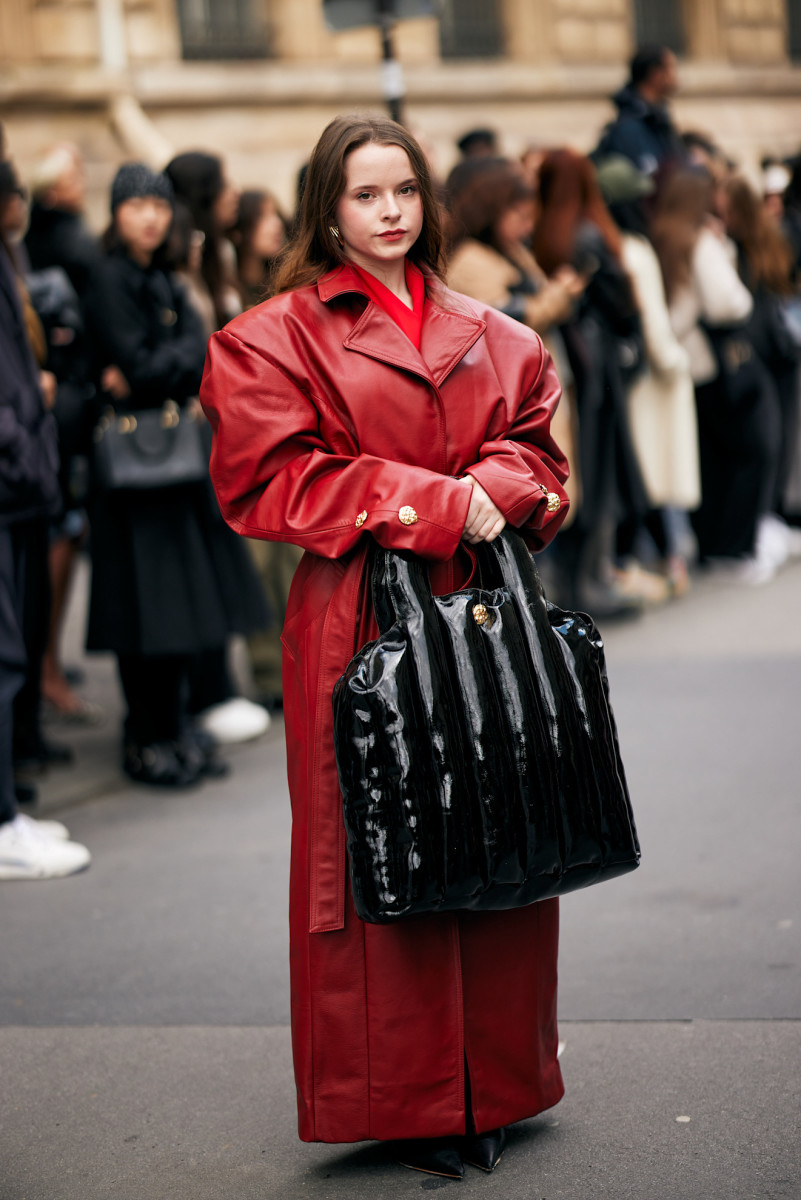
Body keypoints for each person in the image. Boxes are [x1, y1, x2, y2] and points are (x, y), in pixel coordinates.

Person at [200, 114, 569, 1178]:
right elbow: (270, 480)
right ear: (327, 209)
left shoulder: (498, 332)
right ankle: (408, 1095)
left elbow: (540, 452)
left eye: (405, 190)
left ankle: (498, 1084)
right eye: (365, 194)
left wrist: (496, 488)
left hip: (484, 604)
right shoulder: (269, 338)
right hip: (356, 615)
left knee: (501, 825)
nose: (391, 211)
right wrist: (437, 502)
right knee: (381, 844)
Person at [84, 162, 263, 786]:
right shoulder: (108, 277)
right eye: (136, 205)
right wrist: (179, 357)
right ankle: (146, 738)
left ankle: (175, 727)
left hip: (173, 465)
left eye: (158, 206)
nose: (151, 218)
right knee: (144, 608)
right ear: (115, 213)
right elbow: (143, 363)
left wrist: (175, 358)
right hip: (133, 474)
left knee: (177, 606)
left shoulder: (161, 275)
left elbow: (198, 352)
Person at [0, 153, 90, 879]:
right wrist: (20, 440)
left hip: (17, 478)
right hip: (10, 477)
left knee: (13, 649)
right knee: (4, 656)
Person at [165, 152, 271, 746]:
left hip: (236, 424)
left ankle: (224, 686)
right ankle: (210, 690)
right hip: (205, 430)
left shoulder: (216, 255)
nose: (233, 192)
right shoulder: (186, 261)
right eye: (223, 183)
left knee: (233, 558)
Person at [532, 148, 648, 616]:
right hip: (596, 362)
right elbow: (623, 301)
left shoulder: (538, 233)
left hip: (566, 361)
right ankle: (591, 583)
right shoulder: (588, 232)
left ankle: (575, 585)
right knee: (598, 472)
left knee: (575, 471)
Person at [651, 168, 779, 581]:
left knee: (709, 459)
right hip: (715, 363)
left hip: (686, 364)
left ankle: (712, 543)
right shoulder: (701, 240)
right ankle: (734, 544)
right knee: (748, 450)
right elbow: (729, 302)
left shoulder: (661, 237)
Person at [596, 155, 700, 599]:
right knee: (655, 474)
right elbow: (655, 325)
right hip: (656, 383)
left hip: (628, 380)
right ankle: (666, 562)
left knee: (637, 474)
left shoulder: (609, 245)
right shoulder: (636, 249)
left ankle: (640, 561)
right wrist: (678, 363)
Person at [594, 45, 683, 177]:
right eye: (671, 68)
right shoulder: (628, 128)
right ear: (656, 74)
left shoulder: (658, 120)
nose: (676, 75)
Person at [230, 189, 287, 309]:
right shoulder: (227, 290)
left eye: (275, 214)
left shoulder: (283, 283)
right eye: (263, 216)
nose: (277, 223)